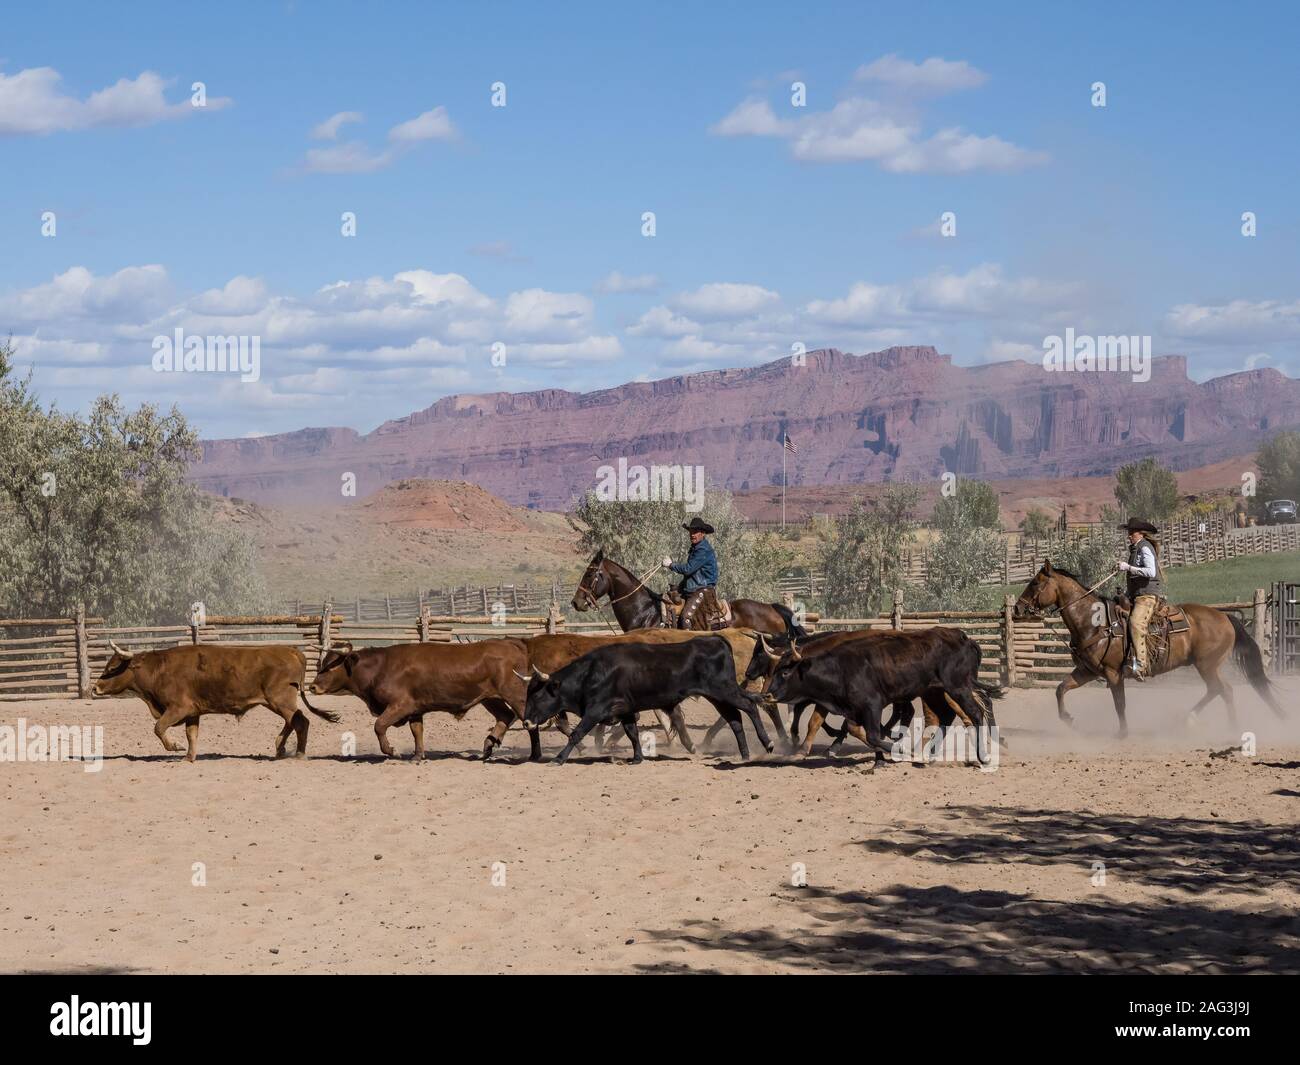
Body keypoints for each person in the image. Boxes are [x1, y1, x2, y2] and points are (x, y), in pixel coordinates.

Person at [1117, 518, 1165, 680]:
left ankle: (1141, 666)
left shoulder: (1144, 547)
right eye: (1128, 532)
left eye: (1132, 532)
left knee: (1136, 624)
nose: (1129, 535)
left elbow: (1151, 572)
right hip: (1137, 595)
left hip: (1147, 596)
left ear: (1140, 533)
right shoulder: (1136, 549)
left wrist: (1128, 567)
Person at [662, 516, 719, 629]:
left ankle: (692, 640)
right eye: (691, 531)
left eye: (695, 532)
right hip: (694, 590)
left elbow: (688, 569)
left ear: (703, 533)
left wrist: (671, 565)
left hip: (703, 591)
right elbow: (692, 575)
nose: (692, 534)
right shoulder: (696, 548)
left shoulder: (703, 549)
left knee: (686, 618)